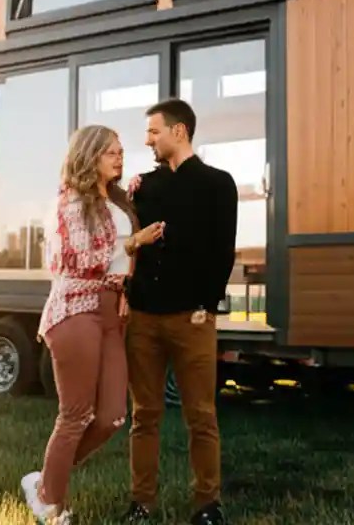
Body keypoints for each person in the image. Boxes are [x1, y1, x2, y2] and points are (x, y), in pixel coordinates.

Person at [21, 124, 165, 525]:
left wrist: (123, 291)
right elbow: (84, 258)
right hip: (76, 308)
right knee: (76, 415)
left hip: (111, 312)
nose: (119, 158)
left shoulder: (118, 200)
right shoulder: (69, 203)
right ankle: (52, 508)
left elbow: (119, 265)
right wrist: (134, 242)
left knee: (113, 416)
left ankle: (44, 483)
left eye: (120, 152)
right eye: (110, 153)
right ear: (88, 156)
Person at [121, 98, 238, 525]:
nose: (147, 139)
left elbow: (223, 251)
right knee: (144, 415)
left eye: (153, 131)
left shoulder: (218, 184)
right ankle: (140, 502)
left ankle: (207, 506)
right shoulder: (143, 187)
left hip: (193, 318)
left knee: (201, 416)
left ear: (179, 132)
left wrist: (206, 306)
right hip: (144, 318)